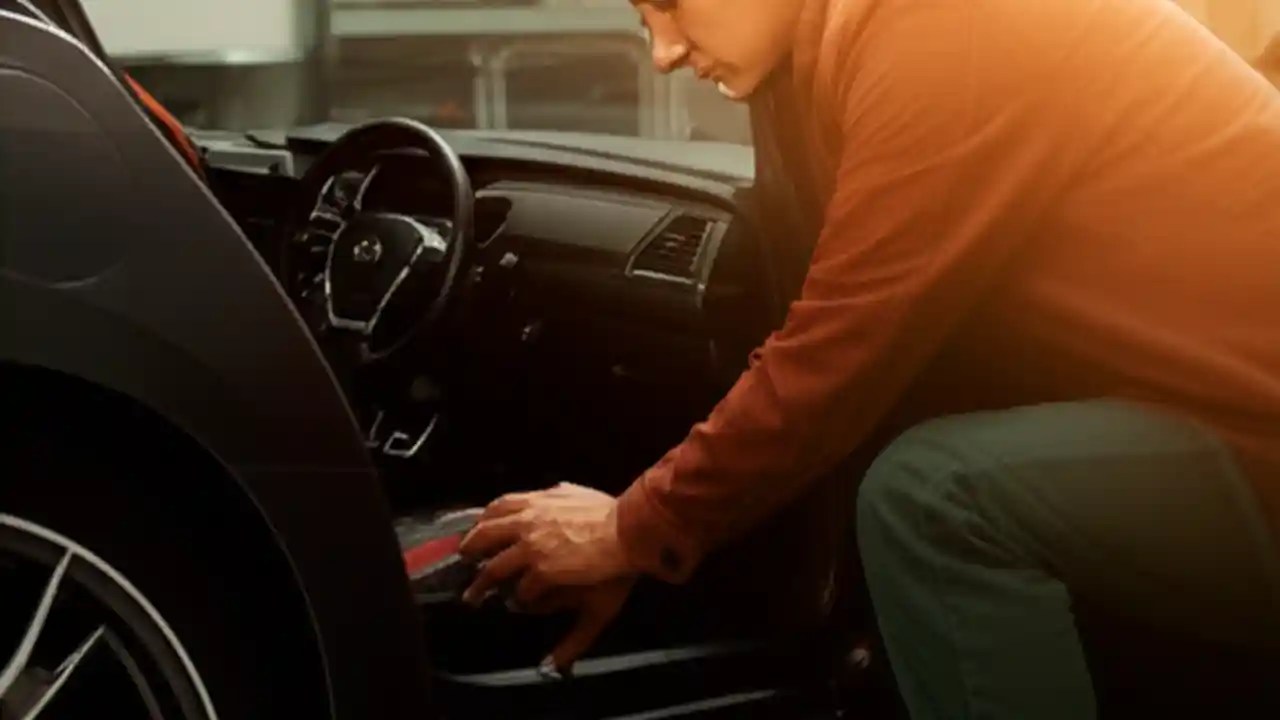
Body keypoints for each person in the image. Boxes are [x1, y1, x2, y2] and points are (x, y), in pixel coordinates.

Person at [459, 0, 1280, 716]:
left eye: (671, 4)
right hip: (1204, 422)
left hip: (1254, 438)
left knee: (933, 497)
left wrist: (632, 529)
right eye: (643, 18)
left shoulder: (952, 26)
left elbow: (840, 348)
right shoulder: (831, 55)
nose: (664, 51)